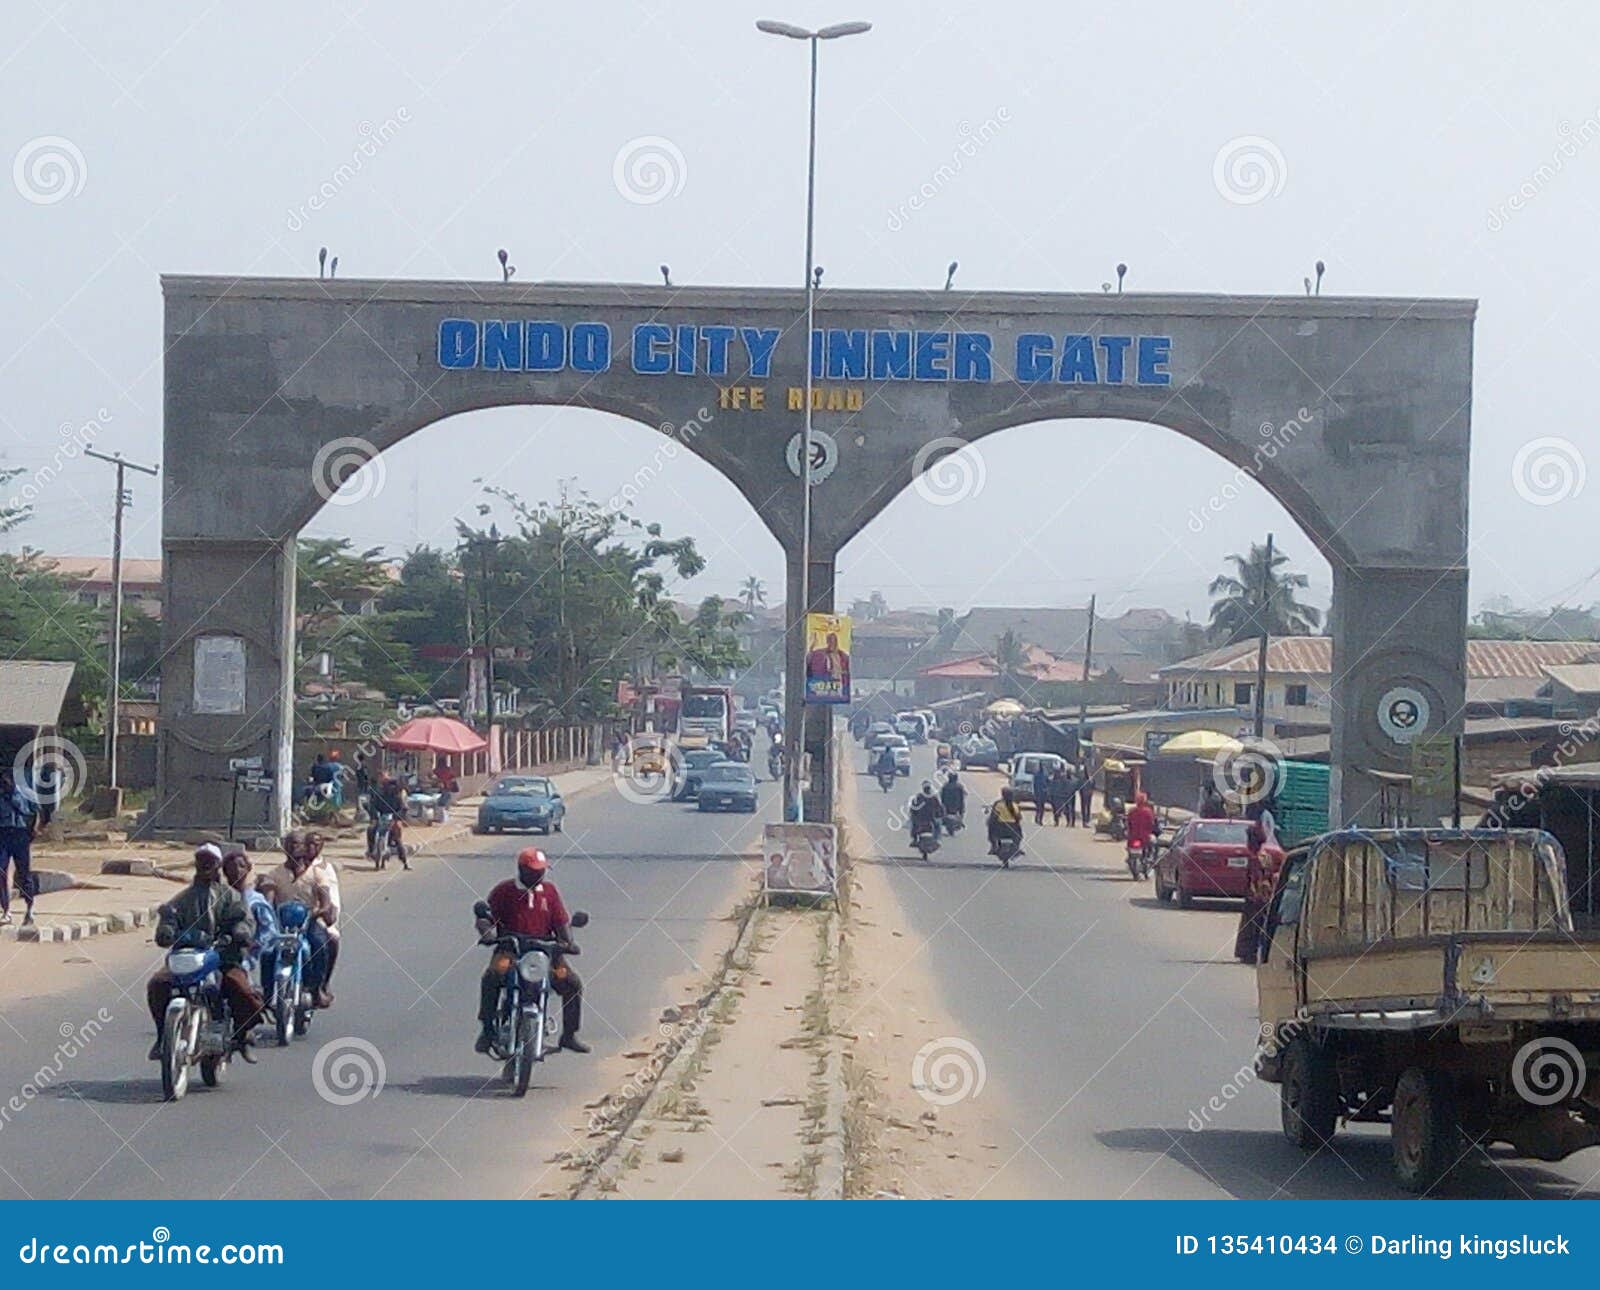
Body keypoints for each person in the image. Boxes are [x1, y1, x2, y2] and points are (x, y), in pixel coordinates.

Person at [147, 844, 263, 1060]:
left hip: (222, 957)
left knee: (242, 990)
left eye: (210, 860)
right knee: (157, 984)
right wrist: (166, 930)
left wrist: (238, 932)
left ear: (218, 865)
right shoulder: (182, 898)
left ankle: (240, 1034)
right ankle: (163, 1035)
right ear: (196, 863)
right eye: (202, 860)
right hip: (188, 956)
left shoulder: (230, 897)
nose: (206, 864)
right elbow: (170, 918)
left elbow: (244, 919)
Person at [475, 848, 587, 1054]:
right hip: (511, 950)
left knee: (571, 982)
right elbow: (486, 918)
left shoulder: (550, 892)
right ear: (521, 870)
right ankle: (488, 1030)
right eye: (534, 871)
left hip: (547, 953)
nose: (538, 875)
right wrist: (487, 933)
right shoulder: (504, 891)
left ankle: (569, 1035)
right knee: (492, 976)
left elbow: (561, 922)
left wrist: (568, 942)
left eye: (541, 871)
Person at [267, 831, 337, 1009]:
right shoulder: (275, 873)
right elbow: (269, 896)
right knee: (267, 952)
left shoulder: (317, 873)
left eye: (298, 844)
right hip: (282, 924)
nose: (293, 847)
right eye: (290, 844)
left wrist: (320, 910)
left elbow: (325, 899)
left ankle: (316, 989)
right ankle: (267, 993)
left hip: (308, 922)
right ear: (284, 847)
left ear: (306, 847)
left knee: (320, 944)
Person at [223, 849, 279, 1006]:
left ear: (248, 869)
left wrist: (255, 944)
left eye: (241, 866)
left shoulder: (255, 901)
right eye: (231, 867)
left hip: (252, 951)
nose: (236, 870)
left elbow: (269, 930)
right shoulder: (220, 897)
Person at [0, 770, 37, 928]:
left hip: (20, 834)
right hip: (3, 833)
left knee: (23, 873)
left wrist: (33, 832)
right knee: (1, 871)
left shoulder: (24, 793)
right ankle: (6, 909)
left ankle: (29, 908)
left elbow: (34, 812)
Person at [1234, 821, 1274, 963]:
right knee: (1258, 924)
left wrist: (1253, 894)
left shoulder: (1254, 859)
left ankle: (1248, 952)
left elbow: (1254, 879)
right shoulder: (1266, 856)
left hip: (1256, 896)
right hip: (1265, 894)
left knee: (1251, 925)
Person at [987, 786, 1024, 856]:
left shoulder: (998, 804)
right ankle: (1017, 847)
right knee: (1020, 835)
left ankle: (994, 845)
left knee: (990, 828)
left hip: (1000, 828)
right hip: (1012, 828)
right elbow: (1019, 817)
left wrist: (990, 822)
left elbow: (994, 817)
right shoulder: (1014, 805)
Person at [1126, 791, 1158, 863]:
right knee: (1155, 842)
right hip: (1145, 837)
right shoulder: (1148, 812)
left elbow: (1129, 824)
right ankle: (1151, 858)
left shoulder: (1132, 811)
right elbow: (1151, 824)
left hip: (1133, 836)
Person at [353, 752, 371, 822]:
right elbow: (366, 775)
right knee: (364, 797)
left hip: (360, 783)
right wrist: (367, 781)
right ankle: (363, 811)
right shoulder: (363, 765)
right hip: (364, 784)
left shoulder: (359, 766)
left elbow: (358, 775)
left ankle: (360, 811)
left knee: (360, 797)